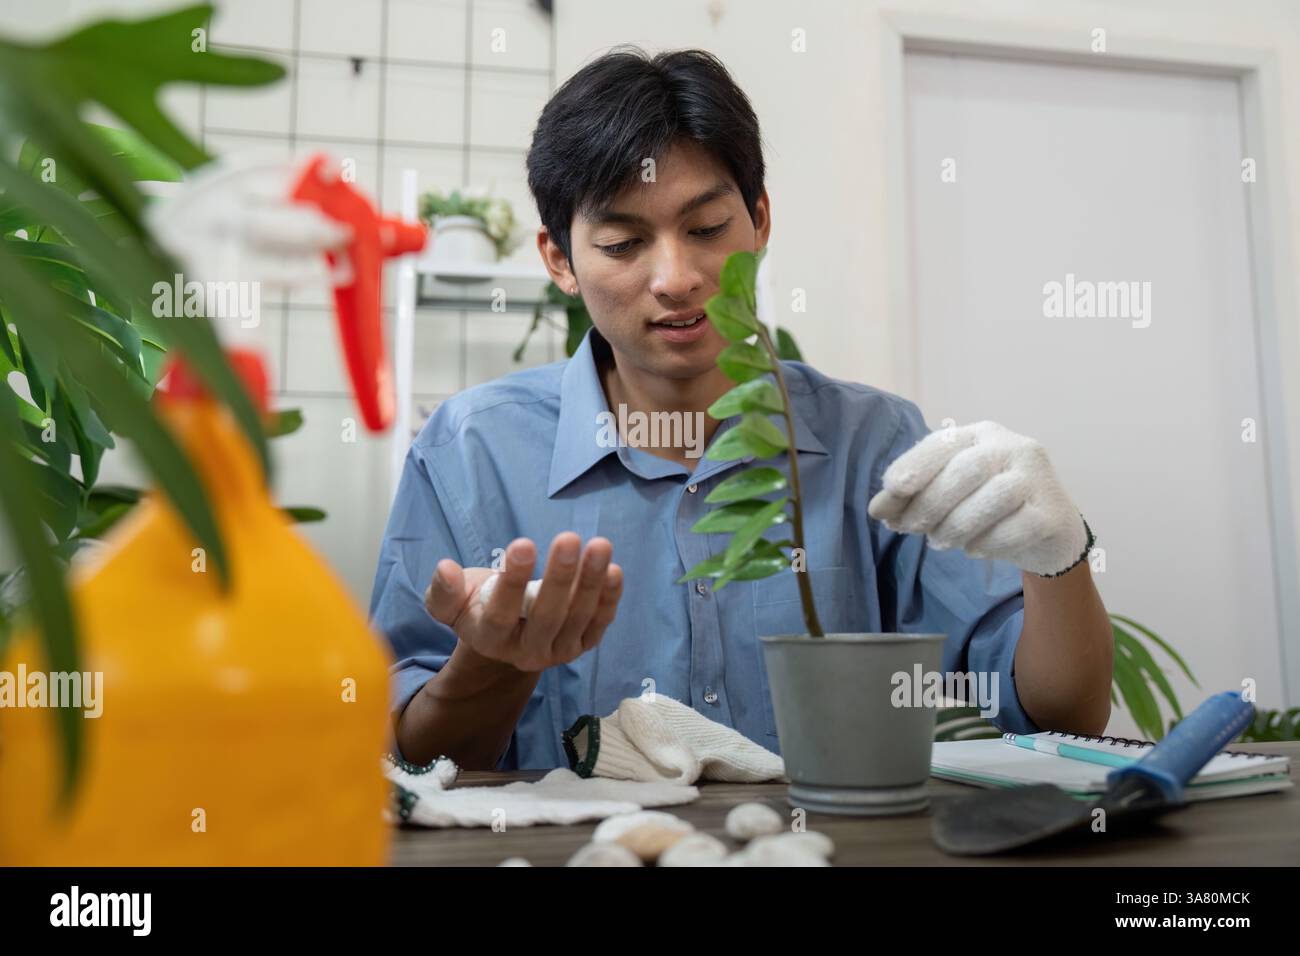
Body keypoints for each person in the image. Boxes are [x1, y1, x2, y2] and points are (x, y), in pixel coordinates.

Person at [370, 47, 1113, 771]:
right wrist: (495, 665)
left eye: (707, 229)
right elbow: (407, 756)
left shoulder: (873, 444)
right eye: (624, 242)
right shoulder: (471, 453)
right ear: (559, 259)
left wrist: (1059, 559)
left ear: (759, 219)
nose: (676, 277)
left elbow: (1058, 714)